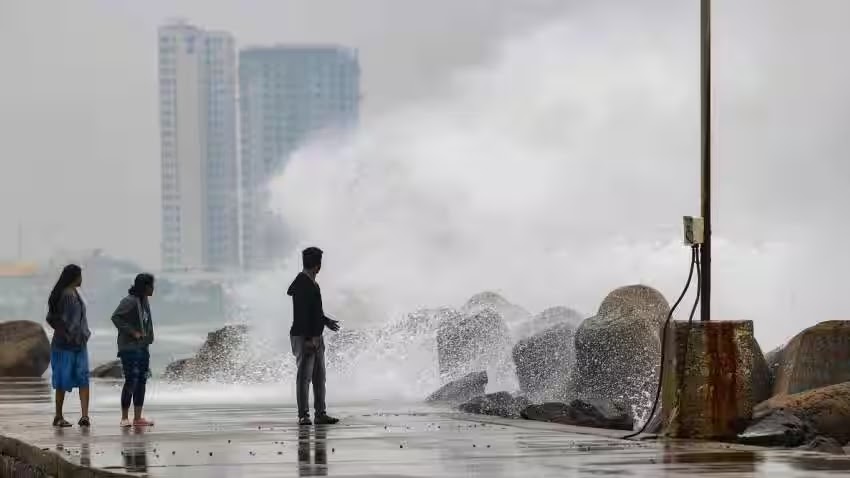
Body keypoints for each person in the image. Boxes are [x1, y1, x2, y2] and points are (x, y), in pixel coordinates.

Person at [288, 247, 341, 426]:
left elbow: (313, 311)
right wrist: (310, 339)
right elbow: (302, 314)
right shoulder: (303, 283)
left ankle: (320, 414)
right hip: (305, 338)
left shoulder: (310, 282)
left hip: (315, 337)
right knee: (305, 378)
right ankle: (303, 416)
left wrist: (325, 321)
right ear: (318, 266)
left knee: (319, 378)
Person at [46, 264, 92, 428]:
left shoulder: (70, 293)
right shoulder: (67, 295)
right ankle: (69, 416)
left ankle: (77, 416)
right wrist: (68, 334)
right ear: (74, 277)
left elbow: (50, 318)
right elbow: (61, 320)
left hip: (74, 343)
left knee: (68, 379)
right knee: (72, 379)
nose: (82, 279)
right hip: (68, 345)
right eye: (80, 275)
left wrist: (78, 334)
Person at [111, 273, 156, 428]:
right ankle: (124, 418)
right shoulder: (129, 301)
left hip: (143, 347)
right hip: (129, 348)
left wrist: (148, 338)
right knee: (131, 380)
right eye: (151, 285)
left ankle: (137, 418)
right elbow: (116, 317)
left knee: (142, 381)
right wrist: (132, 332)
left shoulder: (144, 301)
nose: (153, 289)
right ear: (144, 287)